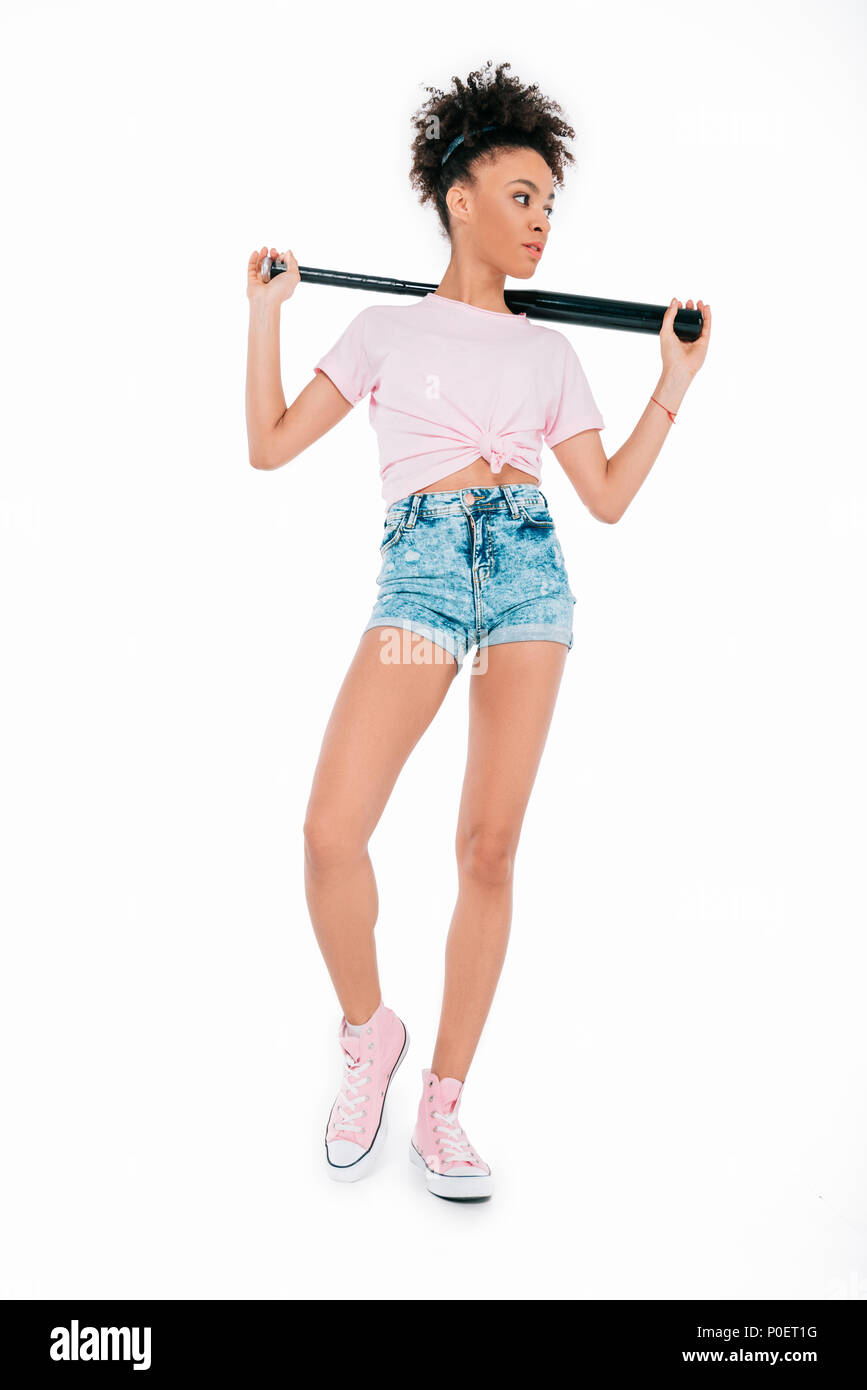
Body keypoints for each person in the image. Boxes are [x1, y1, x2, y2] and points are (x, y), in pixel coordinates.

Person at [244, 59, 711, 1203]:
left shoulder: (550, 352)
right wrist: (265, 315)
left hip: (526, 584)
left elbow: (600, 497)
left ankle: (444, 1107)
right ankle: (372, 1034)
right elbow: (267, 443)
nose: (542, 221)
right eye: (521, 196)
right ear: (459, 195)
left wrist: (674, 381)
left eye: (552, 205)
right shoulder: (381, 331)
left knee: (487, 849)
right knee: (328, 831)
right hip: (422, 586)